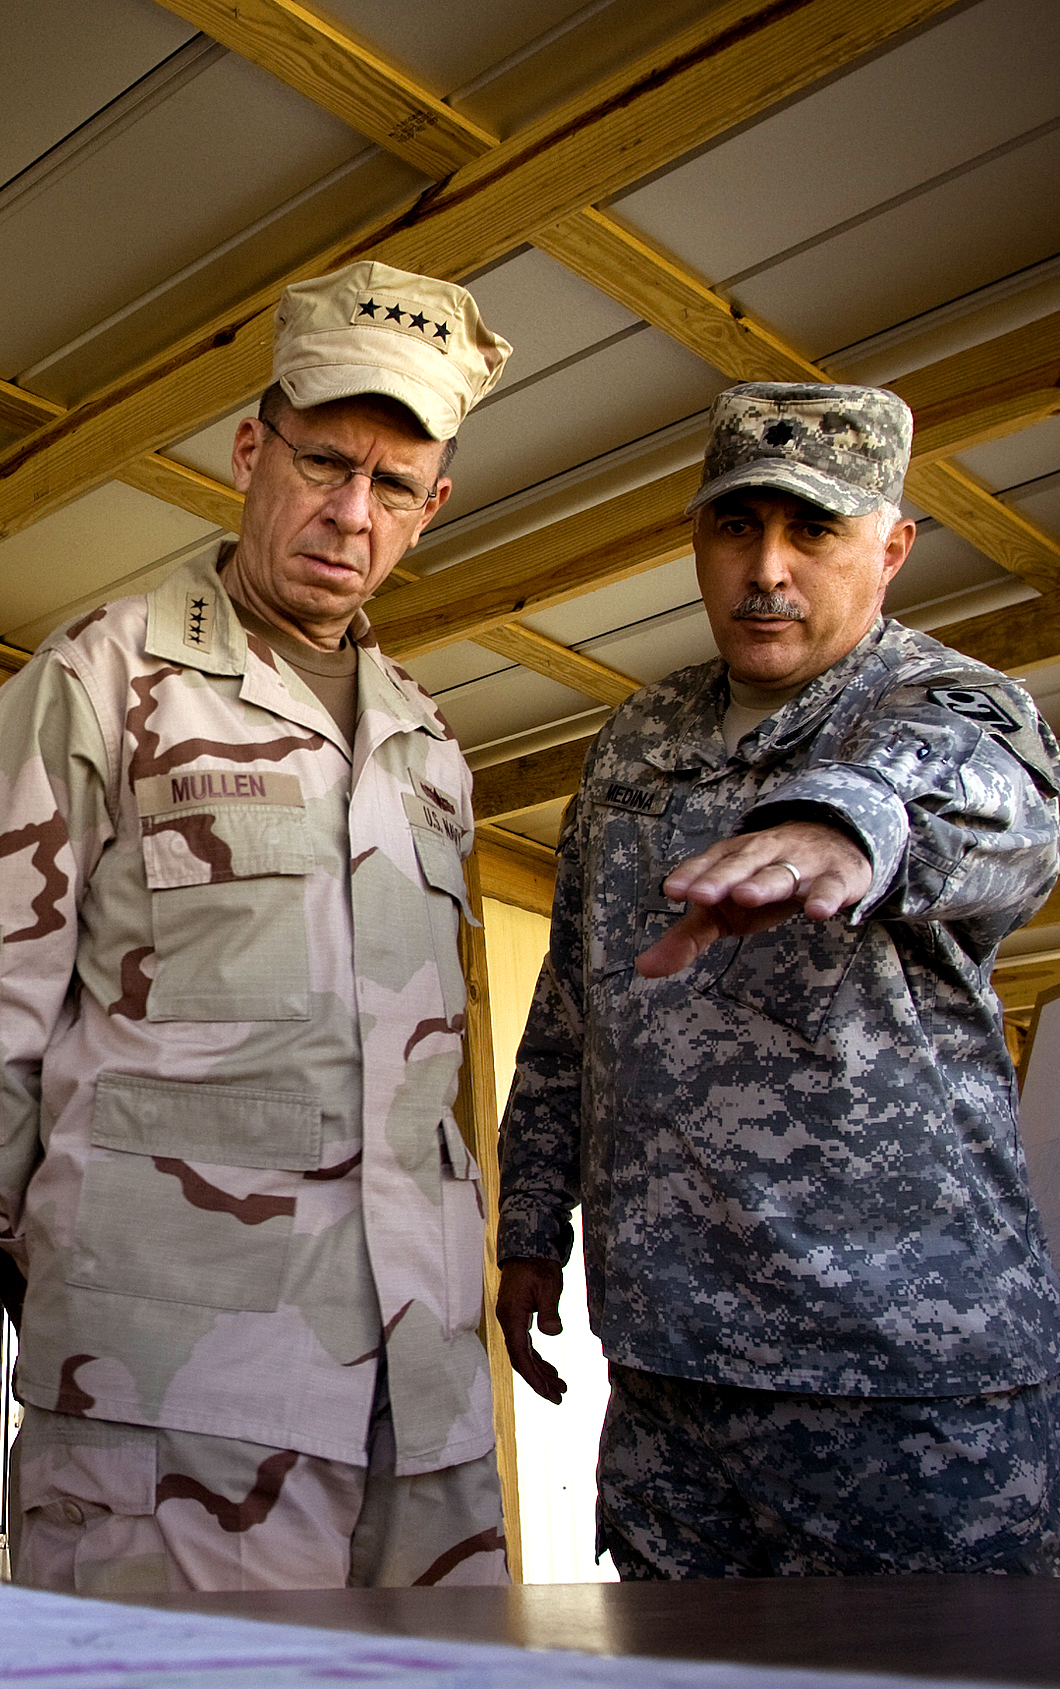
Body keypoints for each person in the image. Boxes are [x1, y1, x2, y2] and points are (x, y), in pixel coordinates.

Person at [0, 261, 515, 1594]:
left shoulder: (426, 742)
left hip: (420, 1405)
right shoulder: (105, 676)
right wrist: (85, 1252)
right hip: (174, 1388)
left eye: (393, 485)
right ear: (251, 452)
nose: (350, 512)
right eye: (324, 463)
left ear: (430, 509)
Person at [495, 382, 1060, 1579]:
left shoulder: (939, 706)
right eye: (736, 526)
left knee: (937, 1667)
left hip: (902, 1386)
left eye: (813, 530)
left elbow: (996, 799)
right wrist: (531, 1225)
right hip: (668, 1376)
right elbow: (568, 1010)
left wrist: (845, 821)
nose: (766, 570)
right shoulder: (636, 740)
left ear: (890, 549)